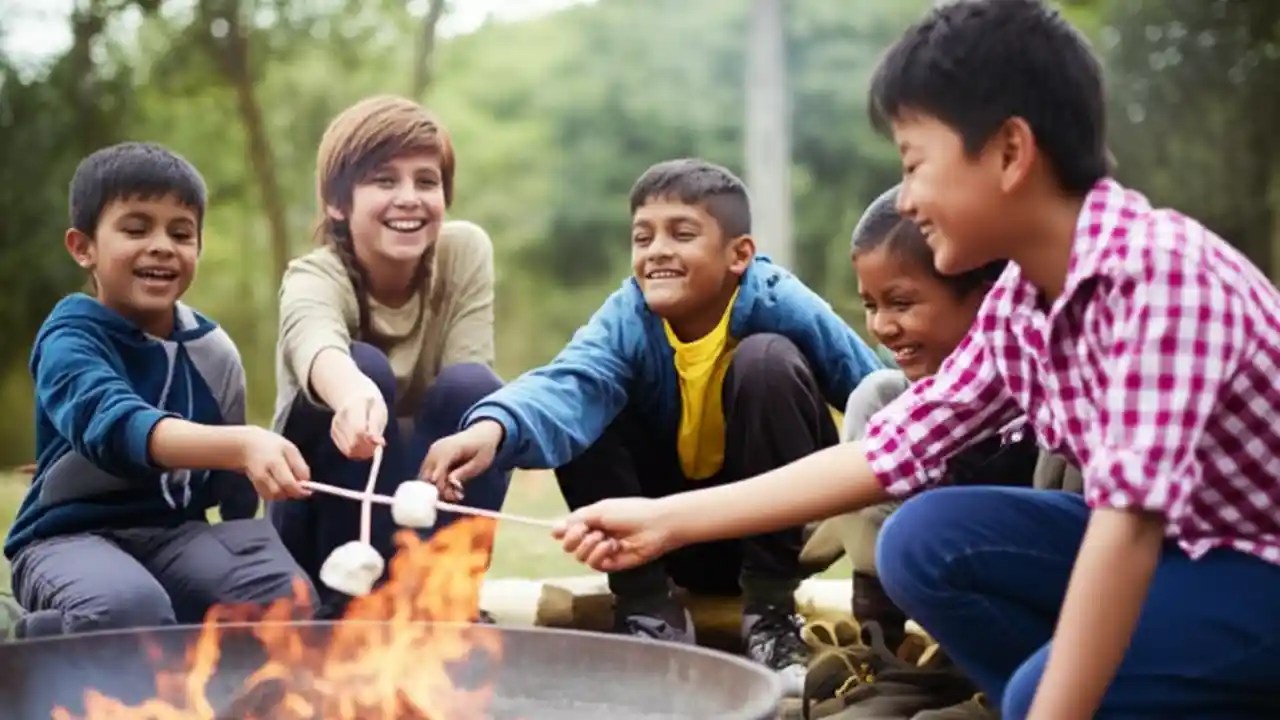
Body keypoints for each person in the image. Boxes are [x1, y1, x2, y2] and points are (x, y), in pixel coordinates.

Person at [554, 2, 1280, 718]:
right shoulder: (1025, 299)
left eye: (914, 163)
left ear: (1009, 152)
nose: (907, 197)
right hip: (1176, 556)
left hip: (1253, 566)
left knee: (1046, 696)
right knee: (924, 541)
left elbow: (1126, 532)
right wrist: (664, 519)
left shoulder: (1160, 282)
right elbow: (890, 451)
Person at [422, 157, 885, 684]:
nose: (657, 249)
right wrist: (493, 428)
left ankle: (771, 619)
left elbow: (876, 390)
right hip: (662, 539)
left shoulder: (781, 302)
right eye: (643, 237)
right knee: (588, 406)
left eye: (682, 233)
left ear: (740, 255)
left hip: (772, 533)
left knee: (768, 361)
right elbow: (568, 382)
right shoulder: (628, 317)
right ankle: (648, 611)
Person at [4, 142, 314, 638]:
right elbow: (118, 425)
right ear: (83, 247)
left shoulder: (214, 353)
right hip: (66, 538)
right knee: (127, 609)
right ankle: (42, 634)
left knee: (280, 598)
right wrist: (243, 445)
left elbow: (232, 495)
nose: (162, 246)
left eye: (181, 233)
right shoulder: (69, 338)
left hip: (175, 535)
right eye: (135, 228)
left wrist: (249, 526)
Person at [269, 95, 508, 616]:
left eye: (426, 181)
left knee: (479, 395)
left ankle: (446, 599)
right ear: (338, 203)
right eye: (384, 180)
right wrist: (354, 395)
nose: (410, 198)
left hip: (421, 496)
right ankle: (347, 608)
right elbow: (317, 344)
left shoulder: (463, 251)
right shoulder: (313, 275)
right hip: (323, 519)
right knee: (367, 368)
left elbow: (470, 384)